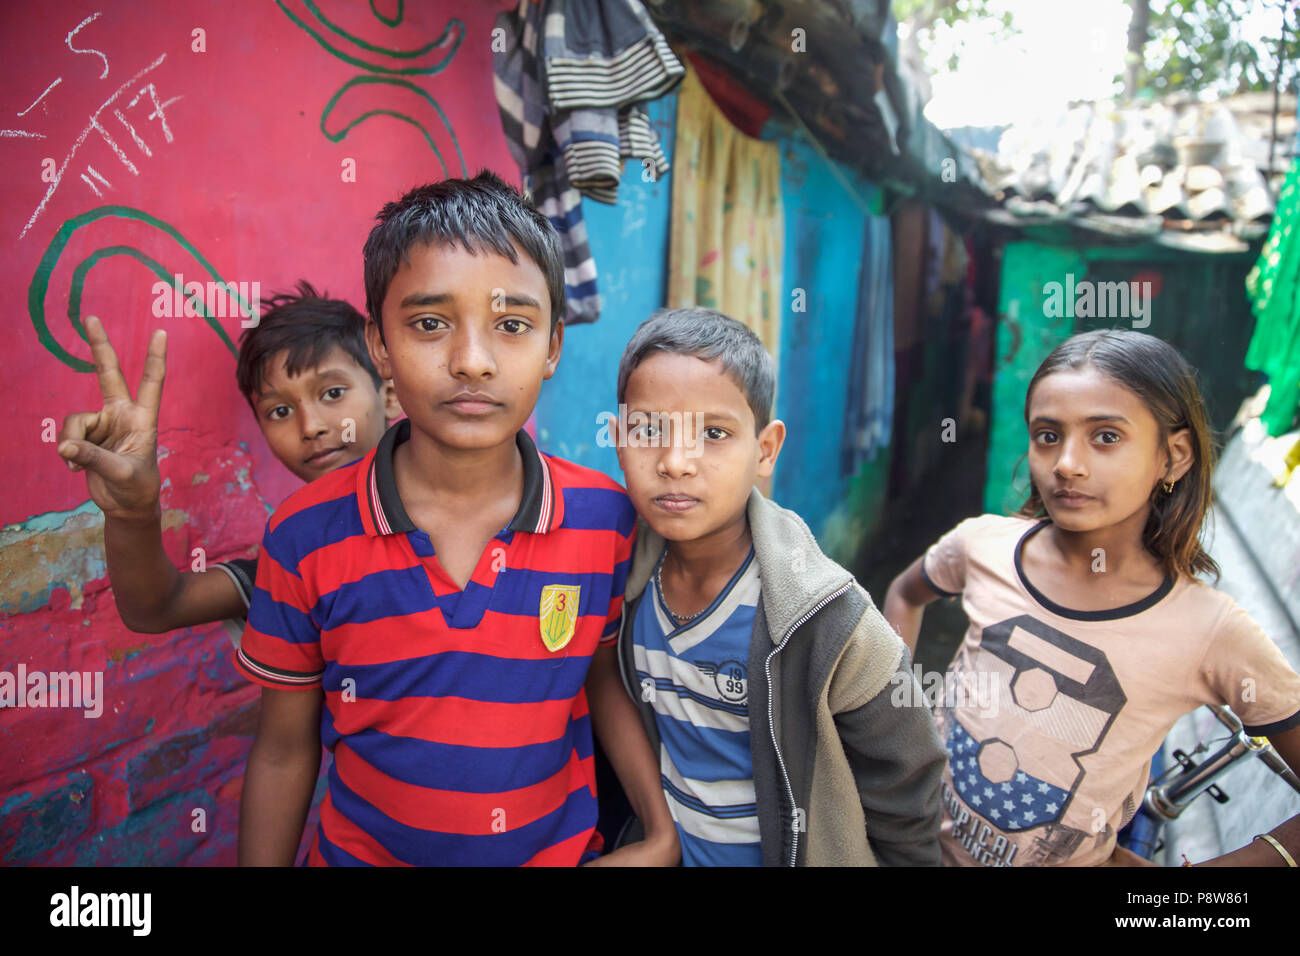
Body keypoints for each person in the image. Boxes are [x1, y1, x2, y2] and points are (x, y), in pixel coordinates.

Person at [233, 171, 678, 866]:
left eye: (511, 325)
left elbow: (598, 677)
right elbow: (284, 752)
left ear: (553, 346)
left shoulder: (604, 520)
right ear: (380, 345)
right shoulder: (304, 534)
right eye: (430, 324)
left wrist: (660, 831)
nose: (472, 361)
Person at [883, 328, 1300, 867]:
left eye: (1105, 437)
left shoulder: (1209, 629)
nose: (1067, 464)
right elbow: (904, 594)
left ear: (1173, 456)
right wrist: (896, 722)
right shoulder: (983, 545)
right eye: (1048, 436)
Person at [611, 307, 946, 866]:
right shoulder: (619, 577)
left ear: (765, 449)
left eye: (713, 434)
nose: (674, 462)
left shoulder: (826, 619)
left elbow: (907, 778)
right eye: (647, 431)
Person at [55, 283, 402, 639]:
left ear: (390, 395)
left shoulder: (451, 508)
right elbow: (157, 608)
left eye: (332, 393)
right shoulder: (292, 559)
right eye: (280, 410)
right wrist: (130, 512)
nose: (310, 427)